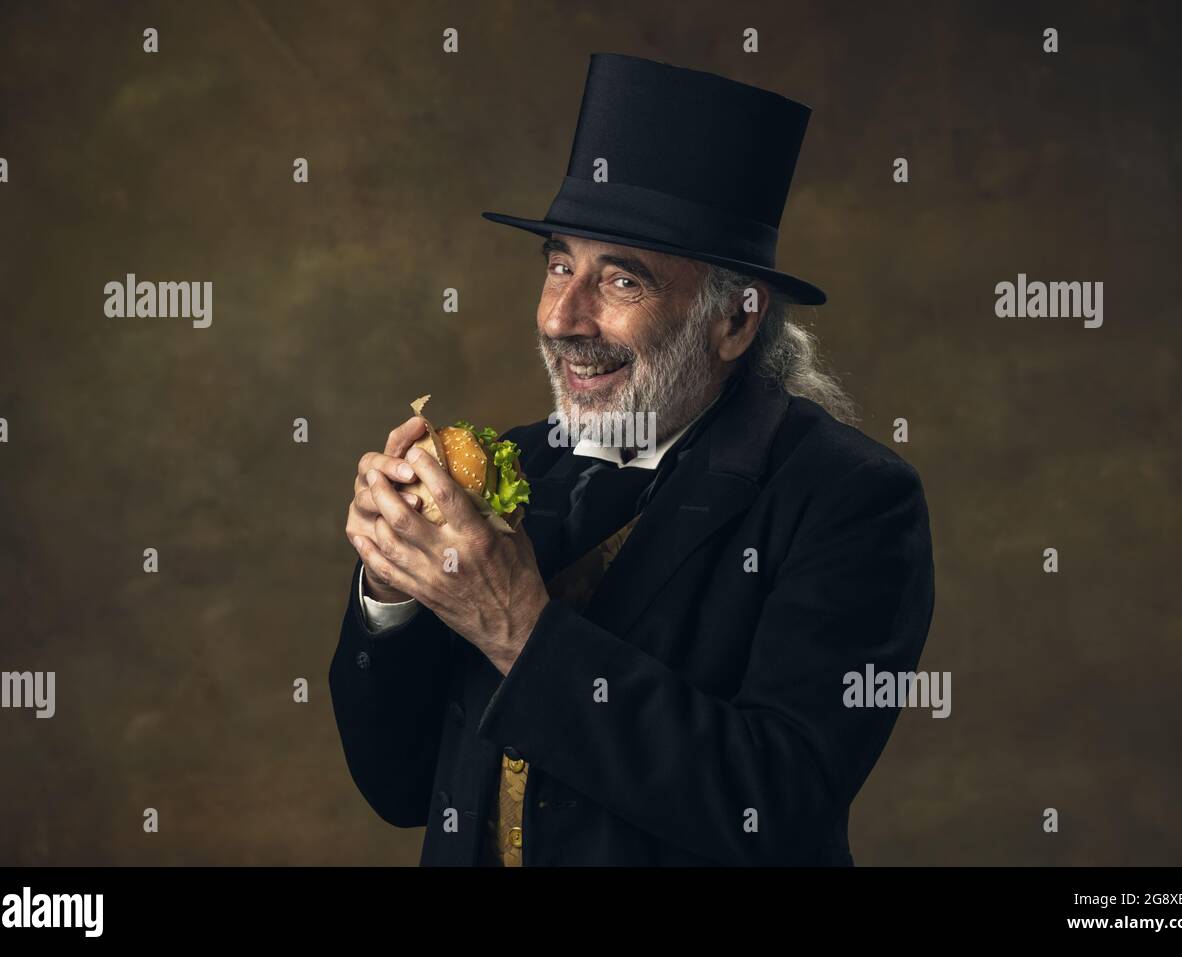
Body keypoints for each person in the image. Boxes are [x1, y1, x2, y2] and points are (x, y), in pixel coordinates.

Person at [331, 53, 934, 866]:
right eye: (558, 265)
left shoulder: (851, 500)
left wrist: (519, 628)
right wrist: (391, 590)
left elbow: (777, 807)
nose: (564, 317)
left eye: (620, 279)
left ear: (735, 321)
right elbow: (398, 789)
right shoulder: (515, 465)